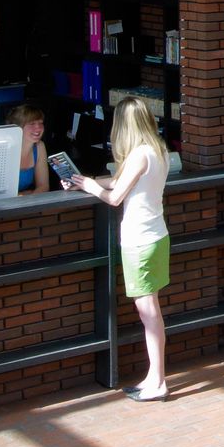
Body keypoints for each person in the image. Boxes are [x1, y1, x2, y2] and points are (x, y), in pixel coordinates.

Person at [79, 92, 173, 401]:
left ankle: (158, 381)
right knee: (150, 310)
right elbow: (123, 181)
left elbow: (115, 197)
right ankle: (153, 377)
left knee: (148, 312)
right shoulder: (158, 150)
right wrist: (89, 181)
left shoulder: (138, 155)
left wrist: (91, 187)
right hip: (156, 236)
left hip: (139, 241)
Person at [4, 101, 54, 194]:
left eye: (41, 123)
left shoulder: (39, 146)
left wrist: (27, 197)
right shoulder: (4, 150)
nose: (38, 128)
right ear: (18, 128)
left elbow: (44, 186)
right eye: (32, 124)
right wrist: (25, 194)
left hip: (27, 201)